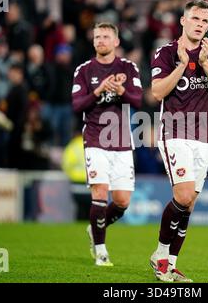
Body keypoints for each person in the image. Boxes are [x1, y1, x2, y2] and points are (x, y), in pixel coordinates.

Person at [150, 0, 208, 282]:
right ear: (182, 21)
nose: (200, 24)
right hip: (174, 131)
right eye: (195, 18)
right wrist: (182, 66)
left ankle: (170, 264)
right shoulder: (166, 52)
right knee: (182, 197)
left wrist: (205, 63)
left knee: (189, 205)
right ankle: (160, 255)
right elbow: (158, 92)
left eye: (205, 21)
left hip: (201, 136)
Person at [71, 22, 142, 266]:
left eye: (105, 36)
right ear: (93, 42)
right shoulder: (83, 70)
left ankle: (95, 228)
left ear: (116, 42)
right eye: (97, 36)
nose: (100, 40)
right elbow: (77, 106)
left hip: (121, 141)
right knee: (100, 192)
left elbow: (139, 100)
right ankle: (101, 250)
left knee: (122, 201)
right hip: (95, 138)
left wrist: (121, 89)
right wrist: (98, 91)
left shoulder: (128, 67)